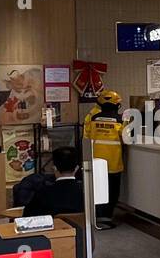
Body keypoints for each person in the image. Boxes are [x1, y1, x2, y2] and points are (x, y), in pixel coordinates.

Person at [83, 89, 125, 227]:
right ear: (117, 105)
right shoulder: (120, 121)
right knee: (112, 191)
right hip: (113, 162)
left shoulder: (93, 119)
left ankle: (97, 216)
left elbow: (86, 137)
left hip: (96, 161)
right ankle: (107, 217)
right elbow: (127, 138)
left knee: (97, 189)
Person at [24, 146, 85, 218]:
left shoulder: (43, 193)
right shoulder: (88, 193)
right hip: (83, 229)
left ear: (54, 168)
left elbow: (27, 219)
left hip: (54, 229)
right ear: (77, 168)